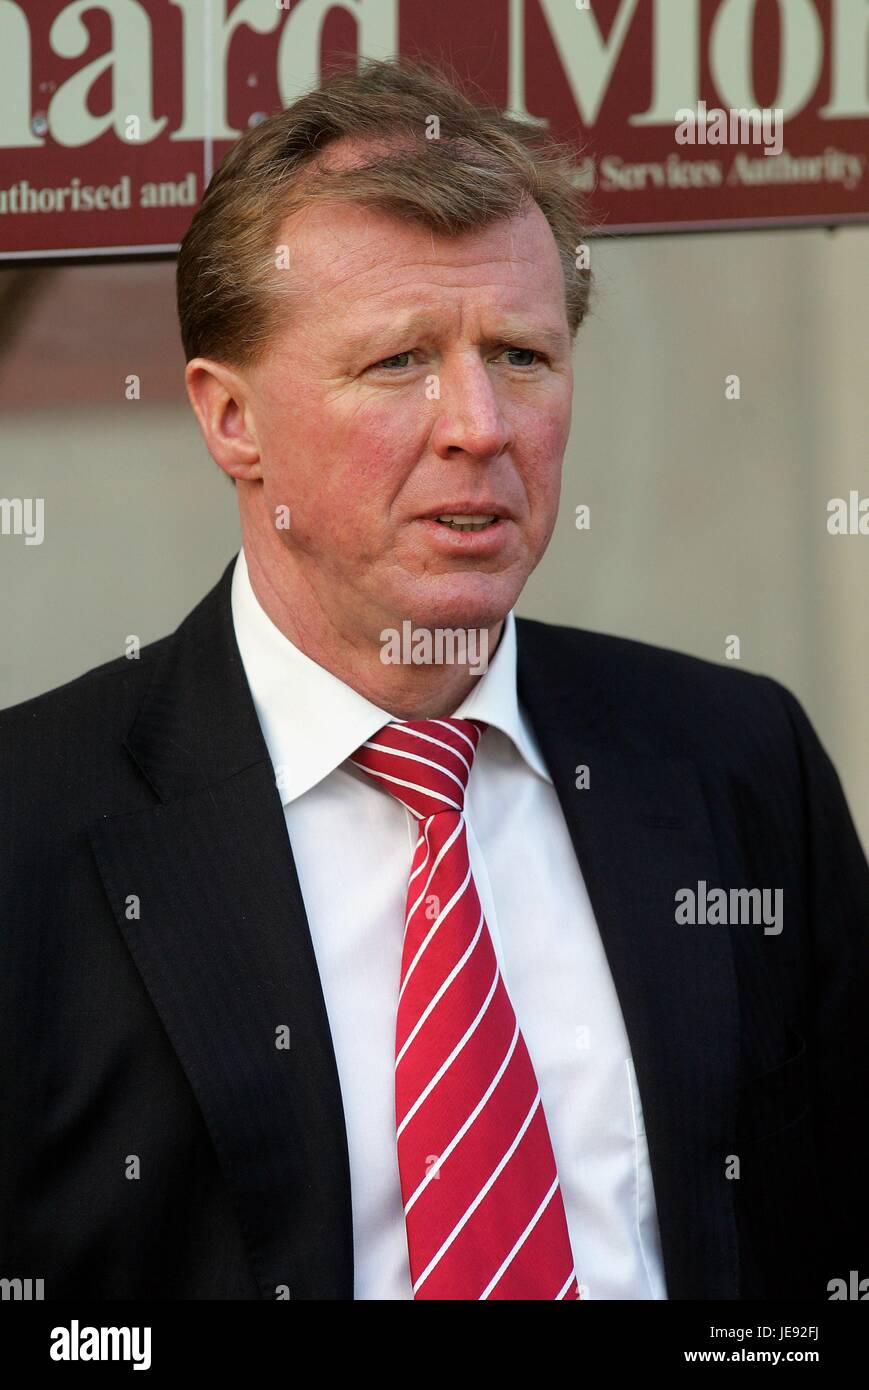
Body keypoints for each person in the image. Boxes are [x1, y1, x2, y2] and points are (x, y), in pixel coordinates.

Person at [2, 57, 867, 1302]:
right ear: (231, 419)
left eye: (519, 355)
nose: (479, 424)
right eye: (399, 361)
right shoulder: (31, 823)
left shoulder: (735, 756)